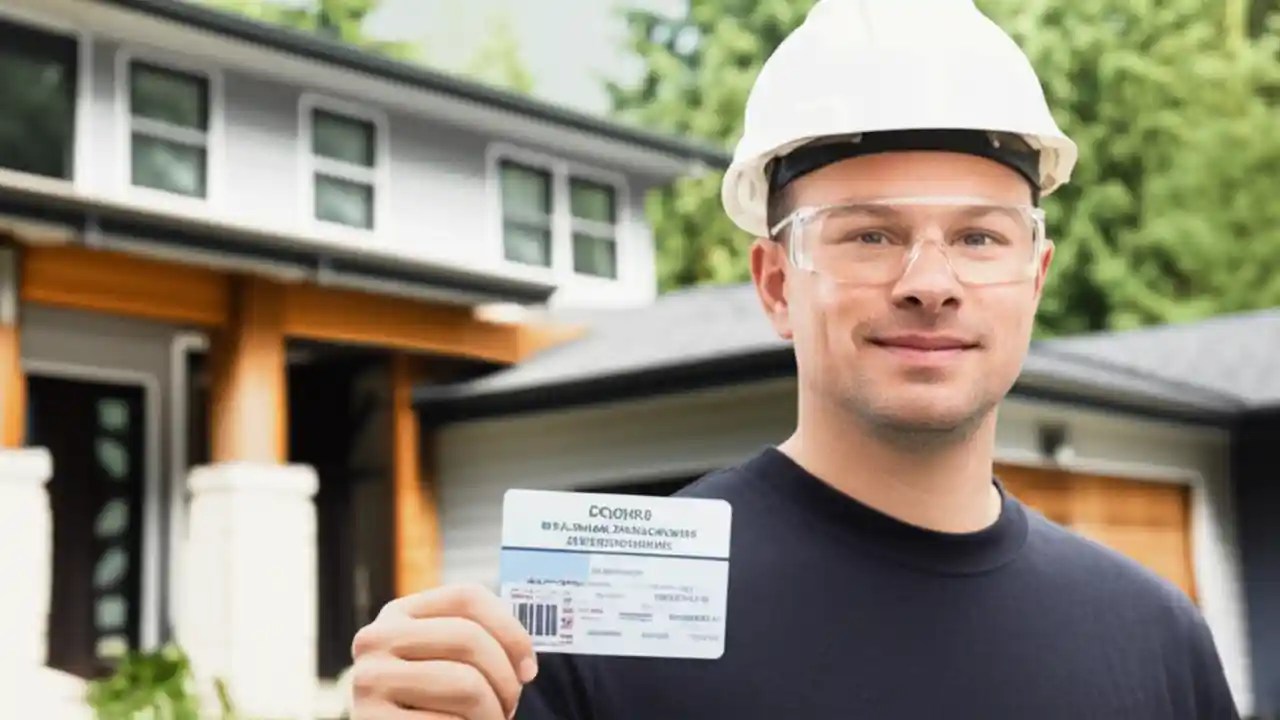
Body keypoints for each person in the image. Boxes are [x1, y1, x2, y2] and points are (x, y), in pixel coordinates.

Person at [348, 1, 1241, 718]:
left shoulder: (1158, 643)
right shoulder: (597, 627)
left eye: (979, 237)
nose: (929, 283)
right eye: (868, 235)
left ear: (1034, 278)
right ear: (776, 283)